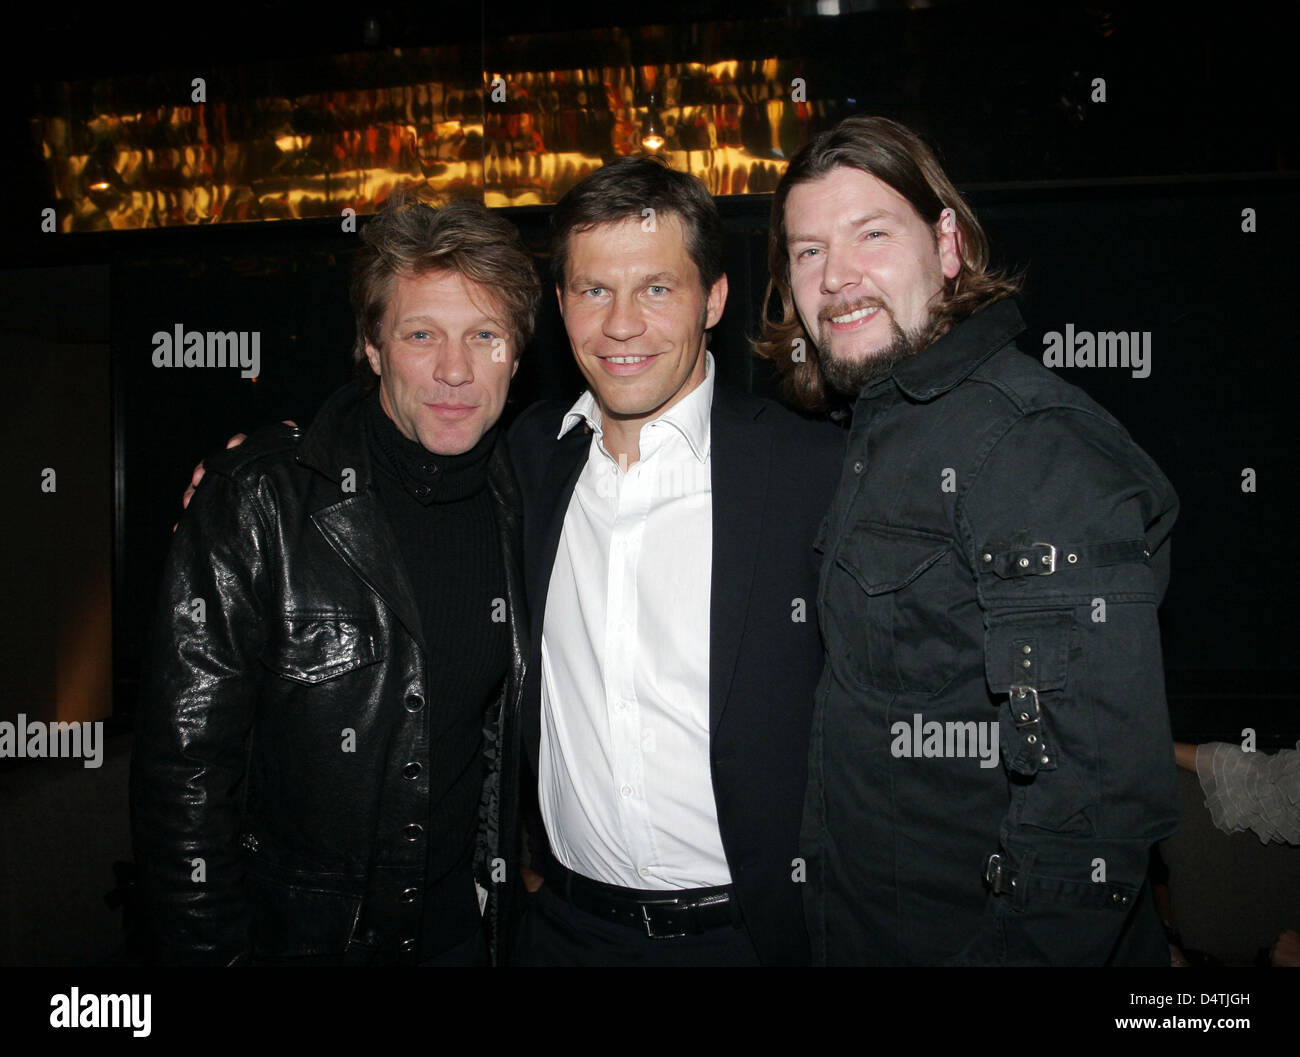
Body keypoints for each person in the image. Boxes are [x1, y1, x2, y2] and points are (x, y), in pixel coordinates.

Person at [757, 115, 1181, 965]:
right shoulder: (878, 429)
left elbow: (1092, 821)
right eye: (807, 252)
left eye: (871, 234)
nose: (836, 277)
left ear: (947, 244)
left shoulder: (1030, 443)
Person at [131, 194, 540, 965]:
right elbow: (181, 784)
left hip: (468, 941)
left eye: (483, 335)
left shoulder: (530, 496)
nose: (455, 370)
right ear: (374, 347)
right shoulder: (259, 499)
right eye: (422, 334)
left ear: (515, 354)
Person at [507, 156, 843, 965]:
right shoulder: (525, 462)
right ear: (561, 306)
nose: (622, 324)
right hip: (562, 934)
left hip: (753, 941)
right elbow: (403, 451)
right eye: (594, 290)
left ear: (714, 298)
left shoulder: (814, 472)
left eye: (657, 288)